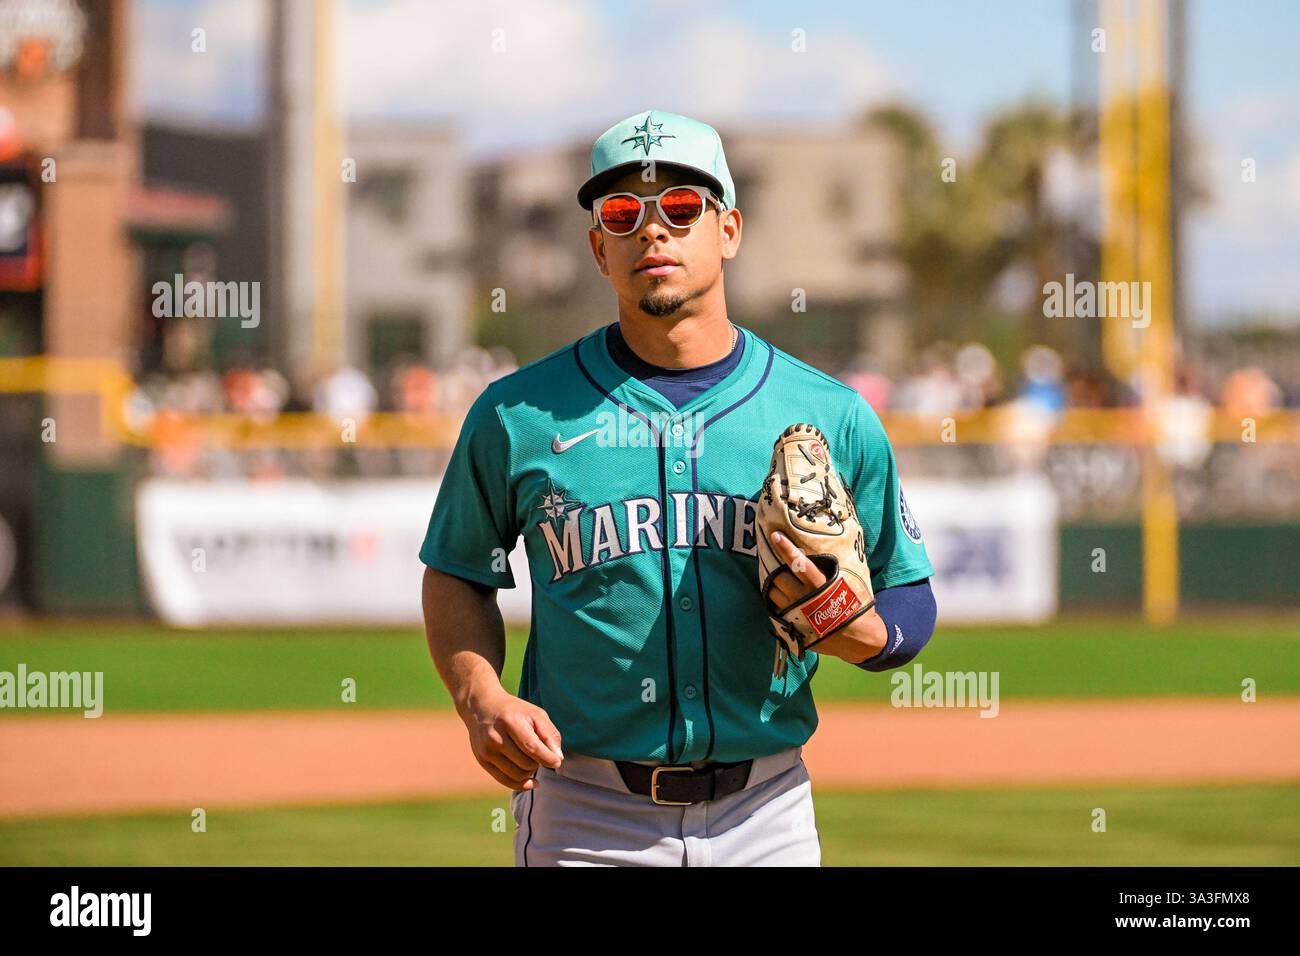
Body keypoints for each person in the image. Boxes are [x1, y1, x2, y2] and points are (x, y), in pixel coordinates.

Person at [420, 111, 938, 866]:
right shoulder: (517, 416)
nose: (652, 232)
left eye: (682, 209)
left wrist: (859, 632)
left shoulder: (829, 413)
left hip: (768, 813)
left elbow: (909, 600)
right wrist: (482, 698)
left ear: (728, 230)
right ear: (599, 249)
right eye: (623, 214)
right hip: (585, 812)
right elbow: (458, 572)